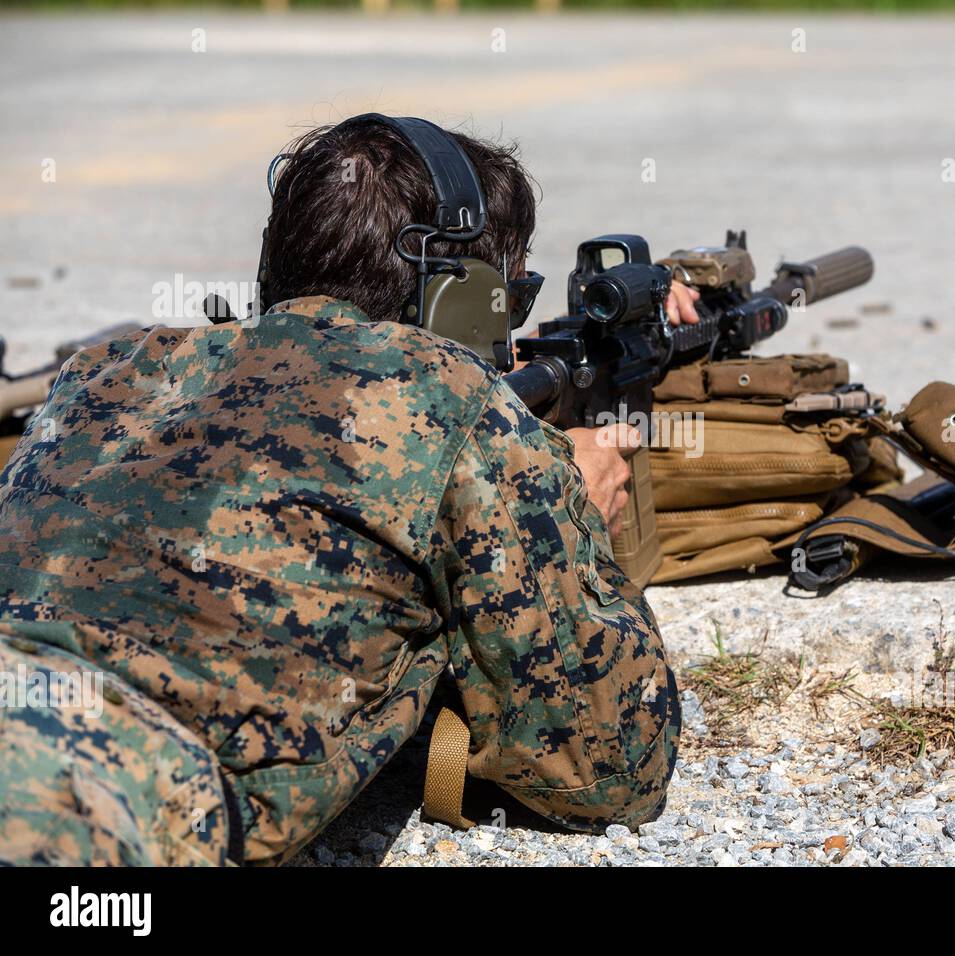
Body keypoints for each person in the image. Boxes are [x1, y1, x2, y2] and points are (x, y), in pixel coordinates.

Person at [0, 114, 700, 866]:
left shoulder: (106, 372)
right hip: (78, 796)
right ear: (456, 298)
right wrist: (568, 521)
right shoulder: (449, 400)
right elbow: (613, 770)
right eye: (509, 298)